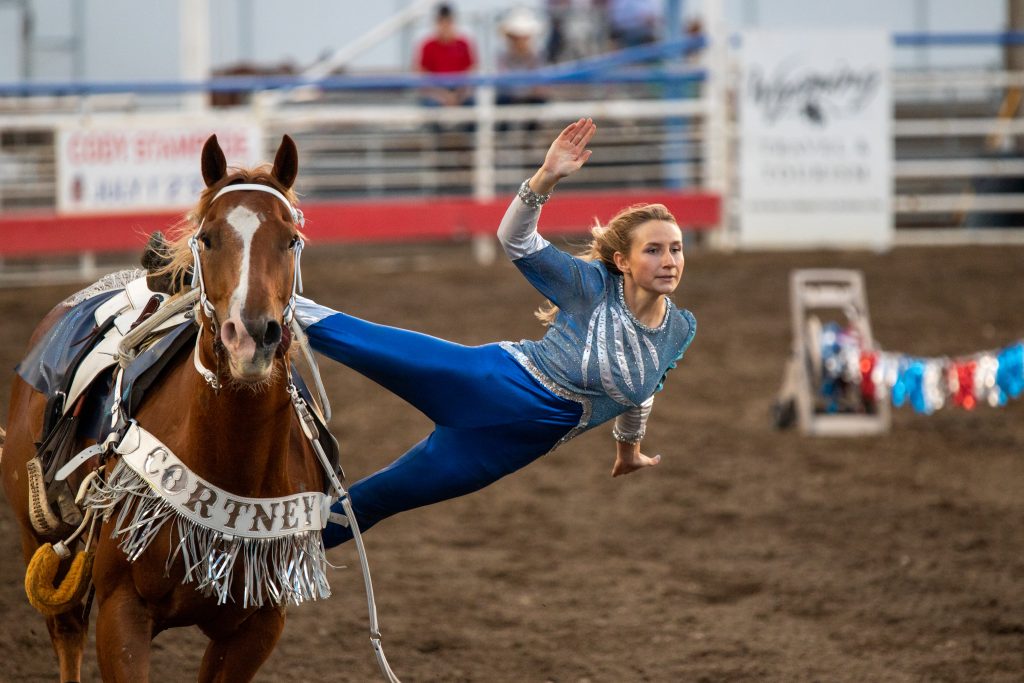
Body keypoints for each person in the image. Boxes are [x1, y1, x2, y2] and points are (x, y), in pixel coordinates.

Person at [294, 118, 697, 548]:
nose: (669, 260)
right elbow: (517, 240)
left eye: (675, 248)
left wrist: (628, 450)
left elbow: (646, 387)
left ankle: (266, 562)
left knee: (370, 504)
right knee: (359, 340)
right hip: (483, 380)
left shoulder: (680, 328)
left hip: (500, 451)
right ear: (622, 260)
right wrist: (547, 176)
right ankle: (250, 298)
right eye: (653, 250)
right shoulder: (590, 287)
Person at [416, 3, 477, 109]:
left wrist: (457, 95)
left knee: (471, 103)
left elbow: (471, 72)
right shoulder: (428, 45)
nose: (444, 26)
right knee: (430, 105)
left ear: (453, 22)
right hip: (436, 91)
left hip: (459, 90)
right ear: (436, 23)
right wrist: (442, 96)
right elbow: (422, 76)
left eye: (448, 21)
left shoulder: (463, 43)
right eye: (441, 21)